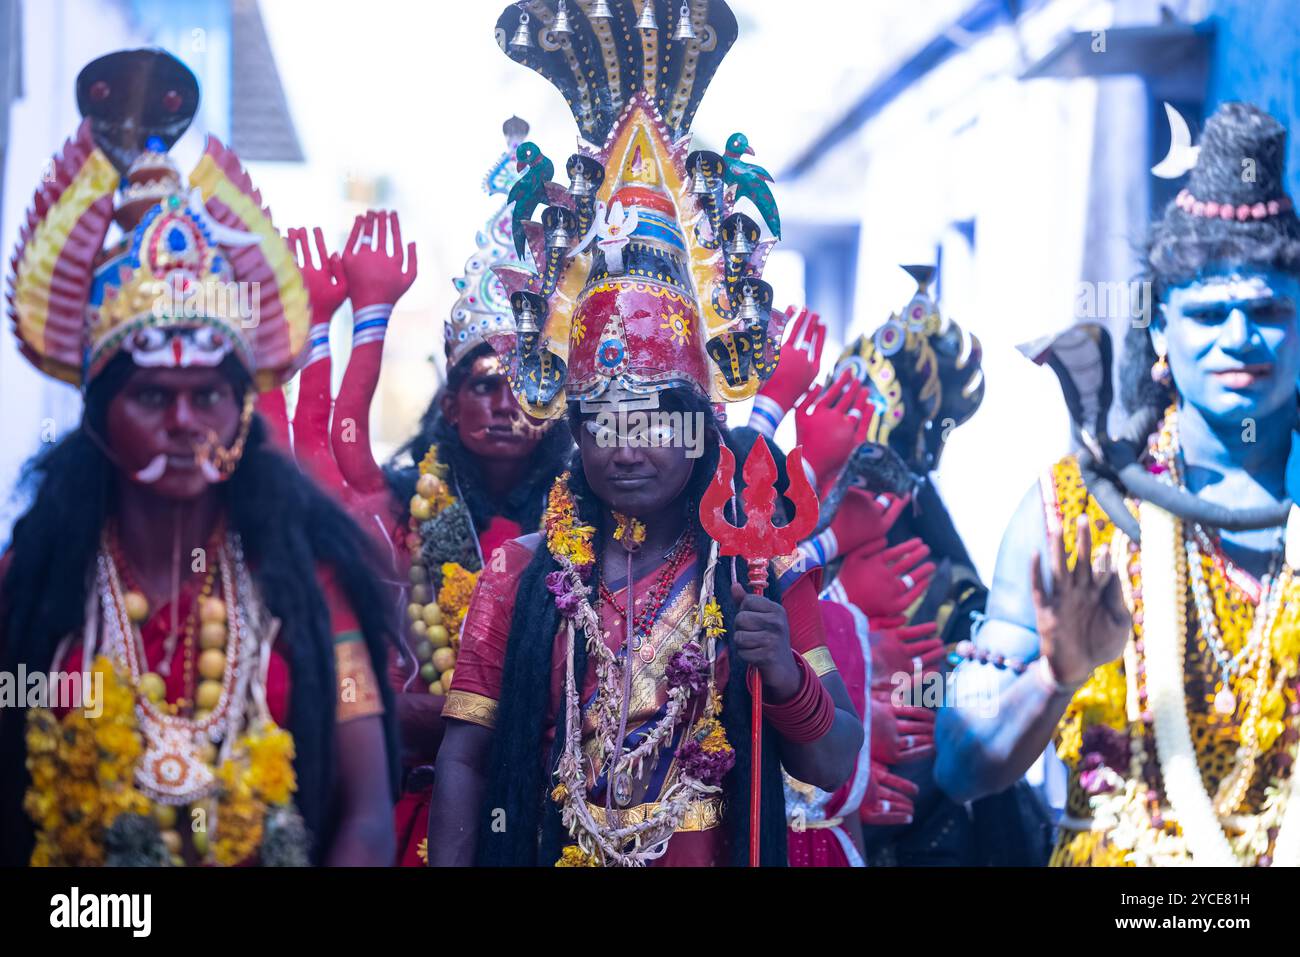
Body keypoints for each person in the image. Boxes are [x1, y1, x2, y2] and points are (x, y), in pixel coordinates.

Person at [427, 0, 862, 866]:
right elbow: (465, 762)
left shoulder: (756, 568)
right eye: (603, 419)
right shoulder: (519, 572)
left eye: (655, 416)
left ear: (703, 423)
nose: (627, 445)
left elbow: (833, 757)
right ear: (574, 425)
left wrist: (782, 672)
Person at [0, 49, 397, 866]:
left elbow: (365, 810)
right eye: (152, 395)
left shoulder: (313, 579)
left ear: (243, 405)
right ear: (99, 410)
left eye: (208, 394)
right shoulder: (33, 579)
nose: (185, 421)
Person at [935, 102, 1300, 866]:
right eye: (1208, 314)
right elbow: (960, 767)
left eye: (1268, 309)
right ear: (1160, 332)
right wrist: (1056, 675)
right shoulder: (1075, 511)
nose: (1241, 337)